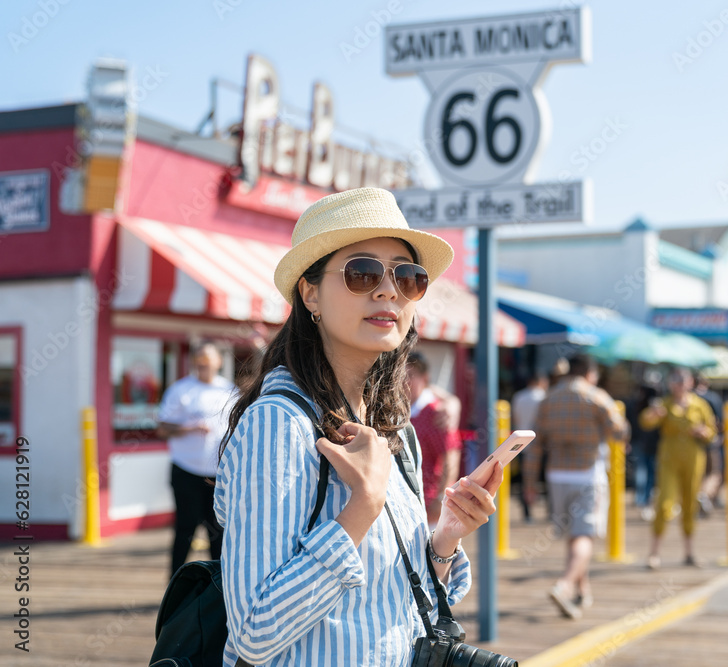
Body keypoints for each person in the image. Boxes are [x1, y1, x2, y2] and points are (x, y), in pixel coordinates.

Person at [214, 188, 503, 666]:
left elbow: (393, 599)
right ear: (310, 293)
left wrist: (446, 537)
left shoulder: (392, 427)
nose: (388, 290)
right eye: (362, 272)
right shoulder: (278, 424)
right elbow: (253, 631)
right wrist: (363, 506)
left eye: (408, 277)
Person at [522, 354, 628, 620]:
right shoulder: (596, 396)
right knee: (584, 535)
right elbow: (619, 432)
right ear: (590, 373)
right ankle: (565, 585)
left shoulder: (549, 398)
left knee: (573, 534)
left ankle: (583, 589)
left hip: (556, 474)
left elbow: (534, 444)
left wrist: (530, 483)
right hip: (587, 473)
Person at [157, 342, 235, 576]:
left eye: (208, 360)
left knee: (219, 532)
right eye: (199, 360)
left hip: (218, 474)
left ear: (218, 362)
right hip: (186, 470)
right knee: (185, 530)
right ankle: (174, 586)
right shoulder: (181, 390)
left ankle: (218, 589)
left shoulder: (229, 391)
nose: (204, 365)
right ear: (193, 362)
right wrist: (188, 428)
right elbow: (162, 428)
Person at [642, 368, 717, 569]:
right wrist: (654, 414)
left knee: (691, 503)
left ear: (690, 382)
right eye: (675, 380)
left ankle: (689, 552)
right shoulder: (664, 404)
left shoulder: (700, 405)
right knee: (665, 503)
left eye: (683, 380)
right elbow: (646, 423)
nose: (679, 384)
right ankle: (654, 553)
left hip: (693, 458)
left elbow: (712, 431)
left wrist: (703, 431)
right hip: (669, 458)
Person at [406, 351, 462, 526]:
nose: (403, 382)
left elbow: (451, 456)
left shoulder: (435, 413)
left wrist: (442, 497)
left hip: (428, 502)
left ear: (424, 378)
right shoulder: (400, 411)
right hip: (406, 502)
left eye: (410, 376)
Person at [511, 372, 549, 522]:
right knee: (544, 478)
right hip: (541, 444)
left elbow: (515, 418)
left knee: (524, 479)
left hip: (522, 443)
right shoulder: (545, 397)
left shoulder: (518, 397)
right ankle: (549, 511)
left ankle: (527, 512)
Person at [626, 384, 660, 521]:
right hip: (650, 444)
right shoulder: (656, 408)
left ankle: (641, 498)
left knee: (642, 470)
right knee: (648, 472)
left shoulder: (634, 405)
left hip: (639, 442)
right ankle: (644, 498)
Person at [694, 374, 724, 514]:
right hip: (710, 441)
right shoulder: (713, 398)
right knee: (713, 472)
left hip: (690, 443)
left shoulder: (688, 398)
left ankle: (697, 495)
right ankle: (704, 494)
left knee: (696, 473)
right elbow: (719, 422)